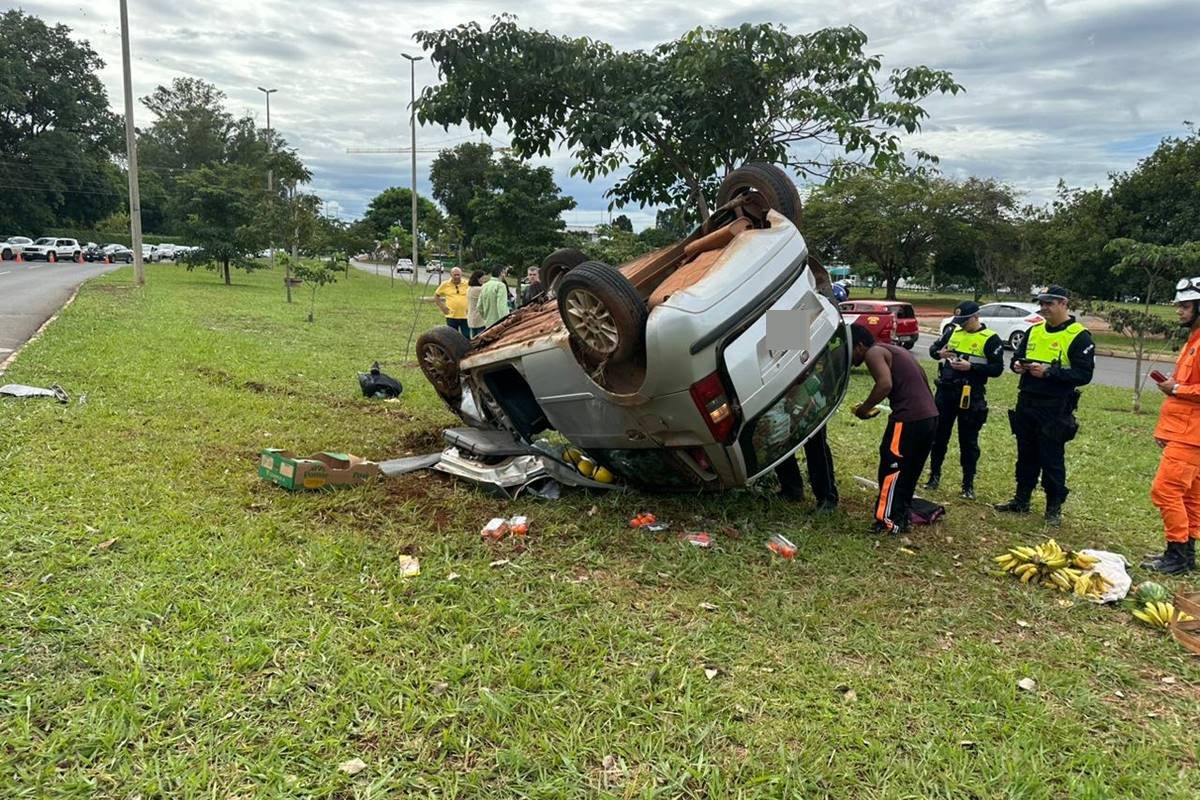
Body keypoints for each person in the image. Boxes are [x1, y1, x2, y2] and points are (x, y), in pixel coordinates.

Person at [994, 285, 1095, 527]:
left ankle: (1053, 507)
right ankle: (1021, 499)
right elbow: (1016, 358)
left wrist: (1050, 372)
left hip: (1054, 407)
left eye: (1049, 303)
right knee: (1025, 454)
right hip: (1026, 401)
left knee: (1051, 458)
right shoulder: (1034, 331)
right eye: (1042, 303)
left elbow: (1083, 374)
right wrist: (1018, 365)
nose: (1044, 308)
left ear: (1063, 304)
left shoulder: (1078, 335)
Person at [850, 323, 939, 535]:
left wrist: (864, 408)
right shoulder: (895, 350)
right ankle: (901, 516)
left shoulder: (874, 352)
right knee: (910, 469)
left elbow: (885, 385)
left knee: (892, 467)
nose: (851, 358)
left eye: (851, 350)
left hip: (907, 419)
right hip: (929, 417)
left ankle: (888, 522)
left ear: (860, 345)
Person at [1142, 277, 1200, 574]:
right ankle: (1185, 555)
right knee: (1189, 495)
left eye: (1186, 306)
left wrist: (1175, 389)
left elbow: (1188, 389)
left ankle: (1177, 553)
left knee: (1165, 490)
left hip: (1192, 437)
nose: (1179, 311)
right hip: (1184, 432)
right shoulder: (1194, 340)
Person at [924, 300, 1004, 499]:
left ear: (976, 317)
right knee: (938, 437)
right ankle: (934, 476)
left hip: (970, 394)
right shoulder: (953, 332)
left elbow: (997, 369)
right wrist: (939, 353)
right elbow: (934, 350)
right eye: (958, 320)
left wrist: (972, 367)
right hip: (946, 392)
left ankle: (968, 484)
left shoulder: (990, 339)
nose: (961, 324)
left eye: (965, 321)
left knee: (968, 441)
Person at [434, 267, 470, 337]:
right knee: (452, 337)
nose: (457, 277)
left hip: (465, 315)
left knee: (467, 336)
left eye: (458, 275)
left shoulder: (467, 283)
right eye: (455, 275)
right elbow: (436, 295)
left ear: (461, 275)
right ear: (451, 275)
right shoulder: (445, 284)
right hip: (451, 315)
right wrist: (442, 307)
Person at [466, 270, 487, 338]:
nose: (484, 280)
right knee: (481, 338)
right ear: (478, 279)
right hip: (479, 318)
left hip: (471, 317)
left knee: (474, 337)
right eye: (483, 278)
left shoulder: (469, 288)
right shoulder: (479, 289)